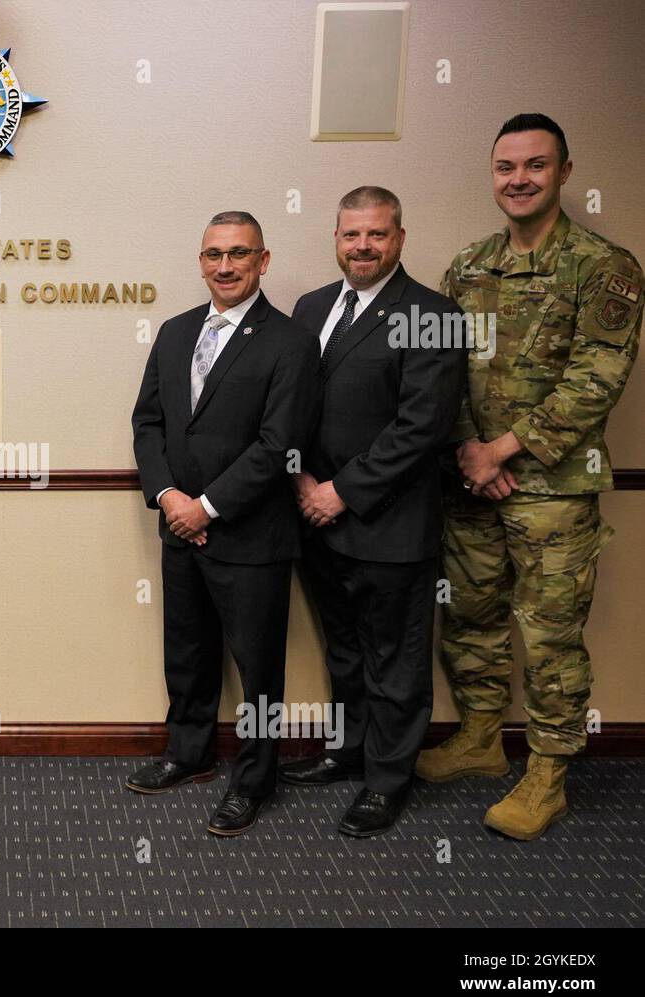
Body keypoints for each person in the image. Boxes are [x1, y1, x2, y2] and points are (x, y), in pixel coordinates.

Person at [415, 114, 644, 840]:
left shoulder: (603, 266)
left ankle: (548, 774)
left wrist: (505, 450)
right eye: (506, 167)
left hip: (554, 491)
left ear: (564, 173)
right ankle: (483, 738)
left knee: (549, 636)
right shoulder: (468, 264)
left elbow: (596, 378)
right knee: (472, 617)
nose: (519, 179)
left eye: (535, 166)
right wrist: (469, 454)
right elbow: (440, 371)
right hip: (472, 480)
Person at [129, 210, 320, 836]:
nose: (226, 266)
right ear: (201, 260)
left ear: (263, 261)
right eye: (214, 254)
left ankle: (255, 780)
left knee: (259, 666)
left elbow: (278, 444)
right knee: (187, 652)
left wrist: (204, 507)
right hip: (177, 526)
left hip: (250, 536)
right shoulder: (175, 332)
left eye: (240, 254)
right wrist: (166, 496)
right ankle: (189, 754)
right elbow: (148, 423)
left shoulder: (289, 341)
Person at [285, 187, 466, 836]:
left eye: (376, 235)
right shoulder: (309, 308)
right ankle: (348, 751)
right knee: (344, 652)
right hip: (314, 517)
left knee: (395, 660)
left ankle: (387, 782)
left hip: (389, 524)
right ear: (336, 238)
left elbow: (421, 429)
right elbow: (290, 401)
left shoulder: (433, 314)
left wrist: (342, 491)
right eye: (351, 235)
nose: (362, 246)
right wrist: (302, 476)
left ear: (400, 238)